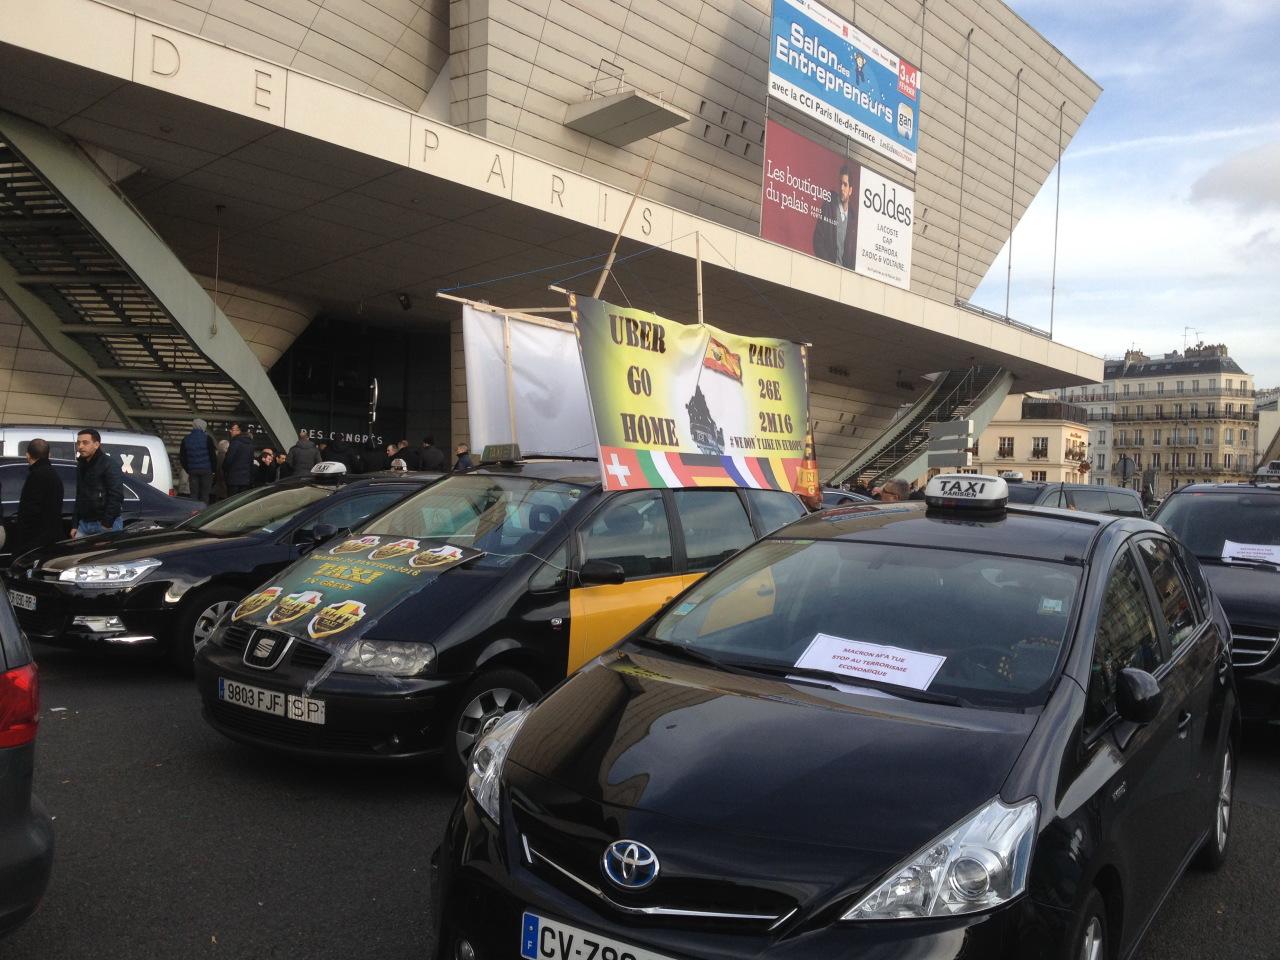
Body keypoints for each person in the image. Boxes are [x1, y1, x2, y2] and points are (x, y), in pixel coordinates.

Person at [12, 438, 65, 556]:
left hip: (36, 541)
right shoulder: (54, 474)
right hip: (50, 537)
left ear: (27, 455)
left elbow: (30, 510)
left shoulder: (36, 475)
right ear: (49, 455)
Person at [71, 428, 124, 538]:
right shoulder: (81, 464)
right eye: (78, 443)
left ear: (96, 444)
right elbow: (79, 495)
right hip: (84, 524)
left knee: (104, 555)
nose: (80, 446)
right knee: (79, 554)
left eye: (85, 443)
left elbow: (116, 495)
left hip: (106, 524)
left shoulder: (109, 464)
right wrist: (75, 524)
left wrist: (106, 524)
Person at [812, 164, 857, 268]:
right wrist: (828, 265)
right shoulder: (828, 206)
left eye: (845, 184)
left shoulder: (852, 219)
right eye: (840, 183)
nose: (841, 188)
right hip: (827, 270)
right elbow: (817, 241)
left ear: (850, 190)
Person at [179, 418, 217, 503]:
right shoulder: (208, 439)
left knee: (194, 495)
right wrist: (213, 470)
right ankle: (204, 513)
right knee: (205, 495)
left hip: (193, 471)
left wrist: (188, 469)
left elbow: (182, 457)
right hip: (206, 471)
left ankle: (194, 513)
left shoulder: (186, 439)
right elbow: (212, 456)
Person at [222, 422, 254, 495]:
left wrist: (224, 469)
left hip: (233, 479)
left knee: (231, 502)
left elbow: (228, 460)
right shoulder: (250, 444)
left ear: (239, 431)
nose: (230, 431)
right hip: (245, 480)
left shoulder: (235, 442)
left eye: (233, 429)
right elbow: (251, 463)